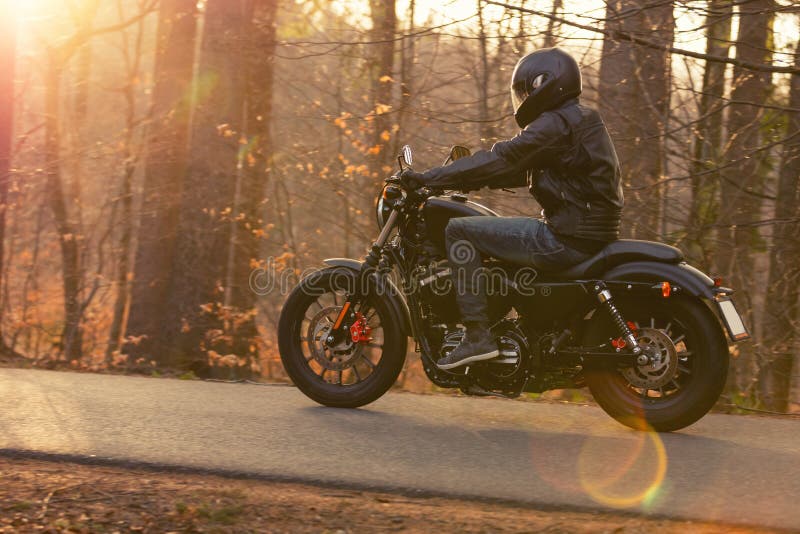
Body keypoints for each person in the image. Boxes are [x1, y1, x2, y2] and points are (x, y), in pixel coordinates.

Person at [400, 47, 624, 371]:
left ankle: (477, 336)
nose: (522, 98)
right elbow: (516, 169)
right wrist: (459, 179)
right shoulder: (576, 120)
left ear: (543, 84)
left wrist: (426, 178)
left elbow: (503, 158)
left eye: (525, 90)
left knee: (460, 230)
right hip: (586, 230)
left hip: (566, 236)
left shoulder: (555, 124)